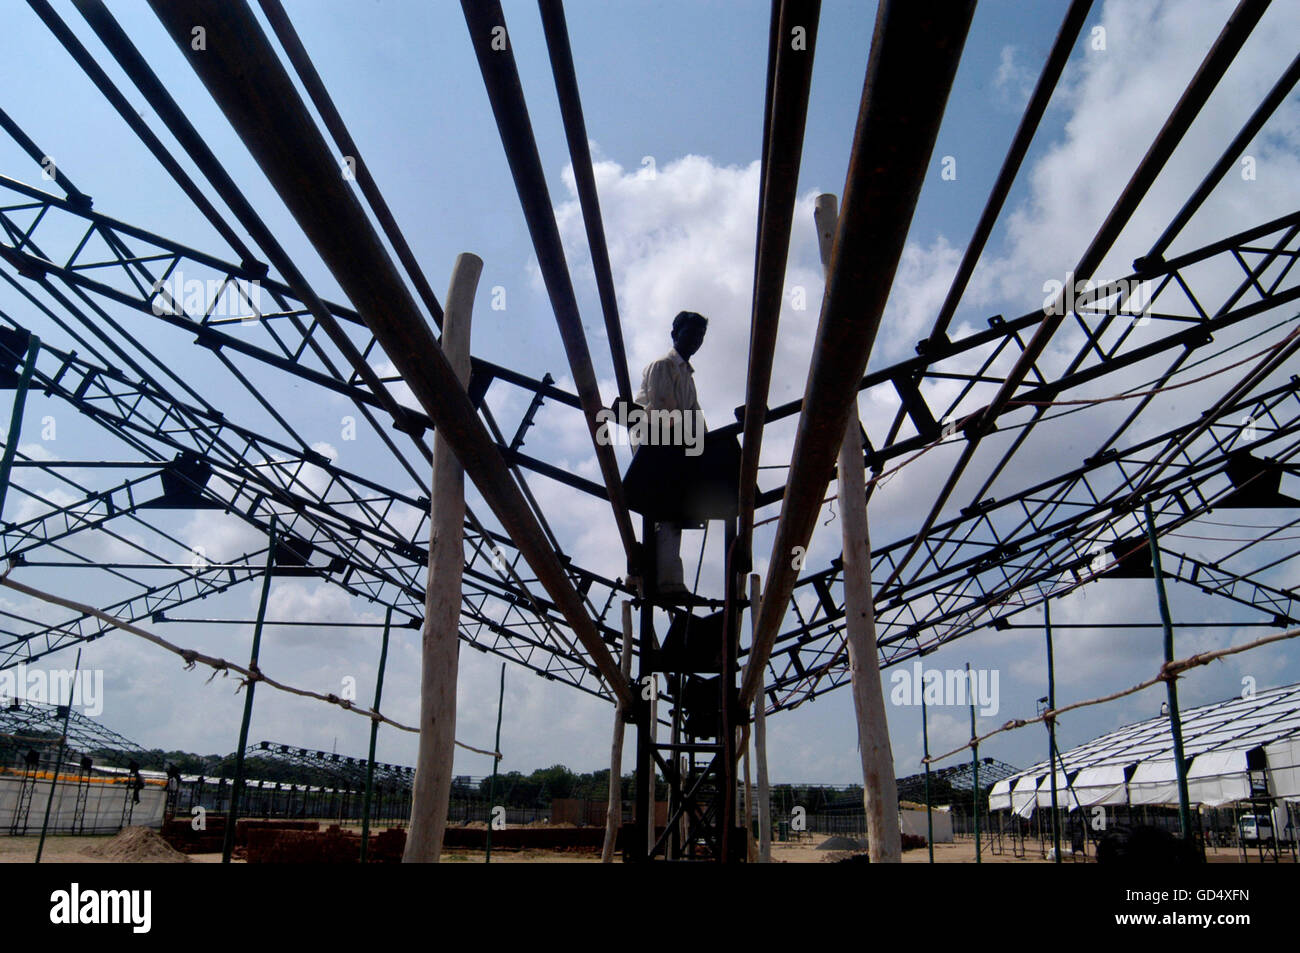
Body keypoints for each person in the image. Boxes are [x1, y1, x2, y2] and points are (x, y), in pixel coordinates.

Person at [634, 310, 708, 596]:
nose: (695, 340)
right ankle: (666, 581)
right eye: (690, 334)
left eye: (700, 336)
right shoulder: (663, 366)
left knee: (672, 514)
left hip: (672, 447)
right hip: (656, 447)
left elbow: (697, 420)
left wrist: (706, 445)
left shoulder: (687, 376)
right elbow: (667, 413)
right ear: (675, 334)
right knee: (666, 512)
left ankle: (670, 580)